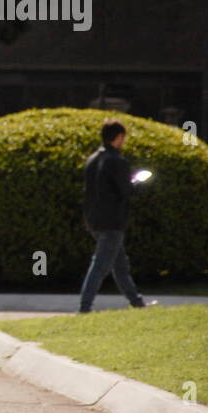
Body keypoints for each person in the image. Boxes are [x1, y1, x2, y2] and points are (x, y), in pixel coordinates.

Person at [78, 119, 152, 313]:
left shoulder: (92, 159)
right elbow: (126, 191)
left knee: (119, 265)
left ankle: (136, 302)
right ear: (119, 137)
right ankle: (84, 308)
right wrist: (139, 183)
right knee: (100, 265)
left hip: (94, 219)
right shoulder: (117, 161)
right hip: (113, 221)